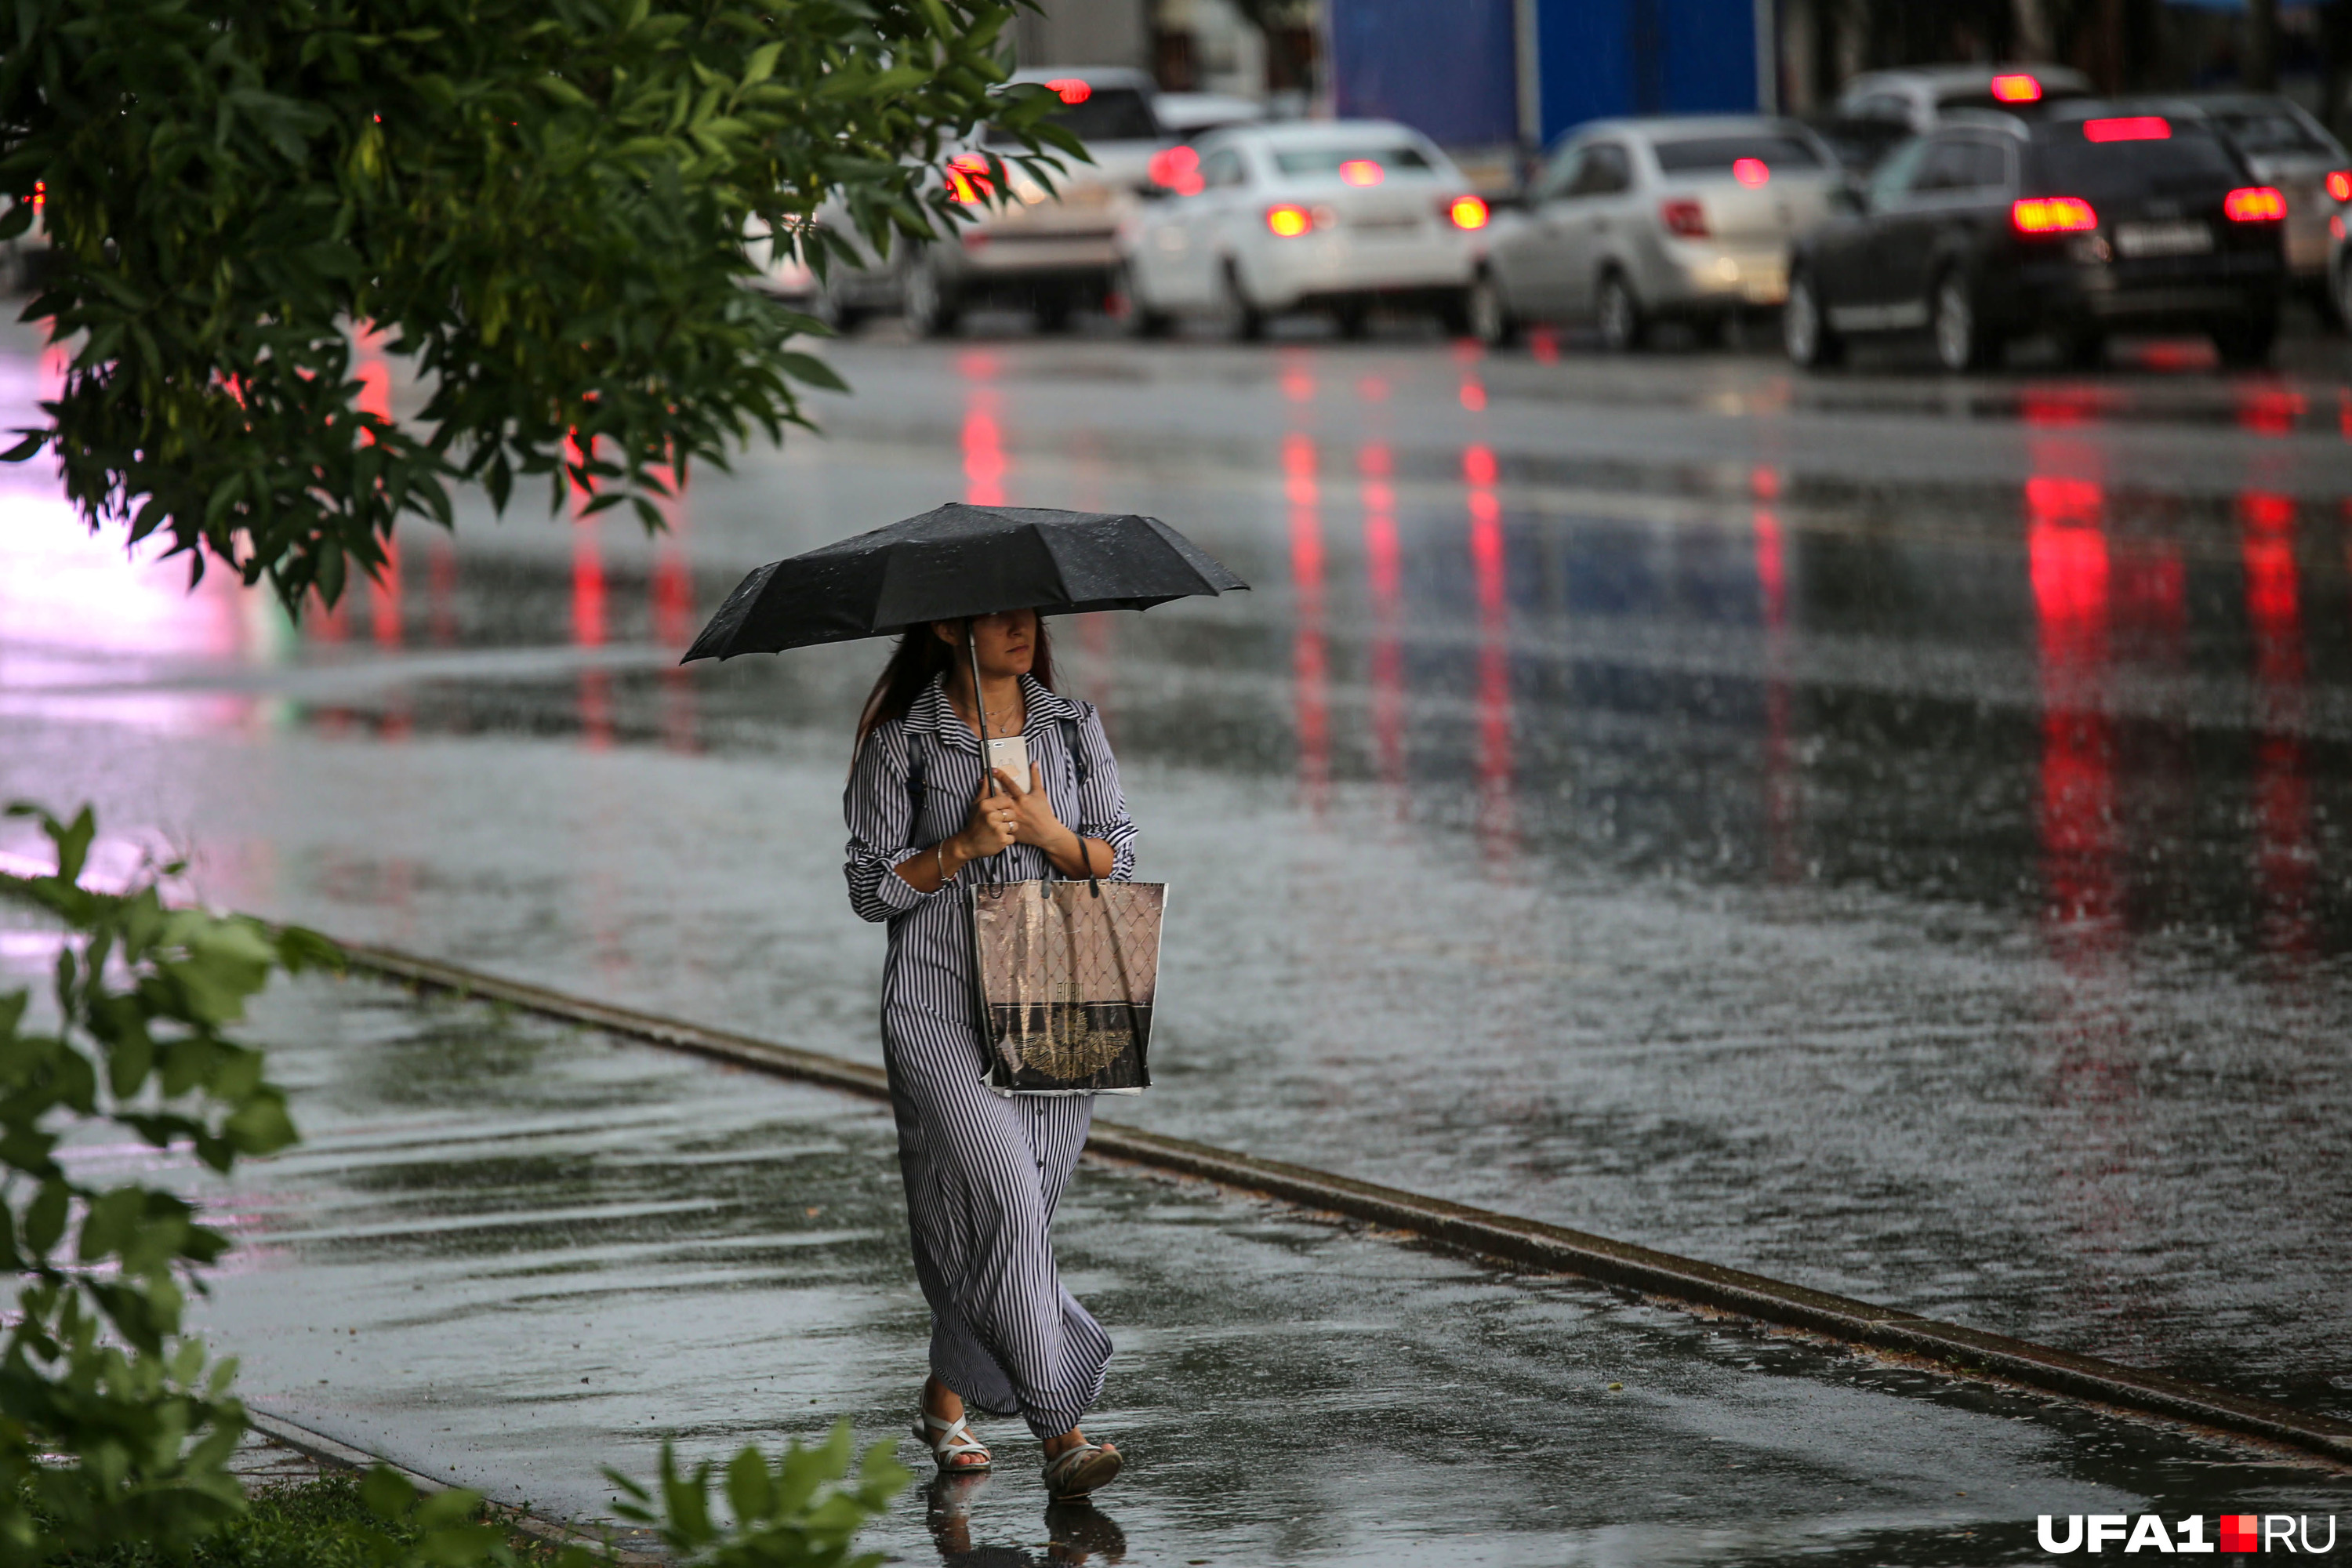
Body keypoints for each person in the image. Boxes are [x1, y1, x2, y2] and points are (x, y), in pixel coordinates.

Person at [842, 607, 1135, 1501]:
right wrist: (962, 846)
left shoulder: (1073, 729)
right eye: (996, 611)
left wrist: (1049, 836)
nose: (1021, 625)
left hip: (1058, 986)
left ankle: (944, 1397)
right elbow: (868, 887)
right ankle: (1062, 1430)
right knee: (1005, 1196)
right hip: (935, 1004)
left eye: (1029, 609)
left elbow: (1117, 861)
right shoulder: (903, 745)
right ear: (944, 626)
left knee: (1017, 1224)